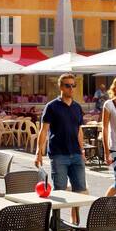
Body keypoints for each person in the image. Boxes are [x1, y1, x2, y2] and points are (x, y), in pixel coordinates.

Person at [35, 73, 87, 218]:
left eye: (73, 85)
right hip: (58, 155)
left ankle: (74, 219)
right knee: (60, 191)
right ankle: (55, 224)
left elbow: (79, 131)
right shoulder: (51, 106)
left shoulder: (77, 107)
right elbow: (43, 130)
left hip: (76, 155)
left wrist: (82, 151)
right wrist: (39, 152)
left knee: (80, 191)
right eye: (67, 85)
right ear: (61, 87)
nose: (71, 88)